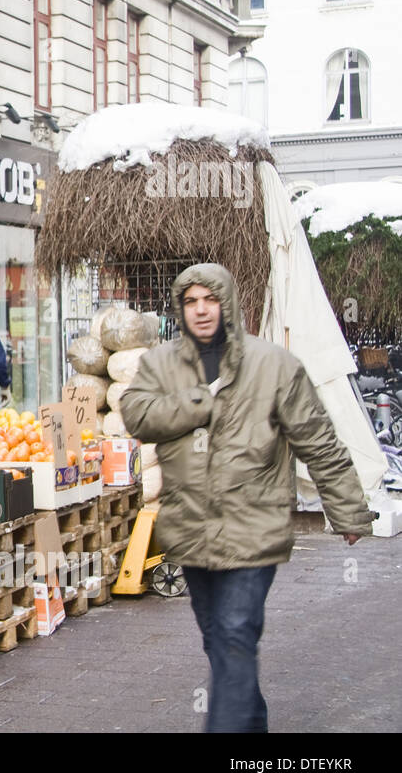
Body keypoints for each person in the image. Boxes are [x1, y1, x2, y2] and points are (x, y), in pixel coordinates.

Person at [120, 263, 371, 733]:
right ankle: (250, 723)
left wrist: (348, 510)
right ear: (180, 308)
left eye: (209, 300)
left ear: (227, 303)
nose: (200, 310)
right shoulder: (160, 364)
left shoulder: (274, 365)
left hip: (255, 527)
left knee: (235, 634)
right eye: (191, 301)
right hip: (191, 531)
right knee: (219, 639)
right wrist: (198, 402)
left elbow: (317, 439)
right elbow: (137, 414)